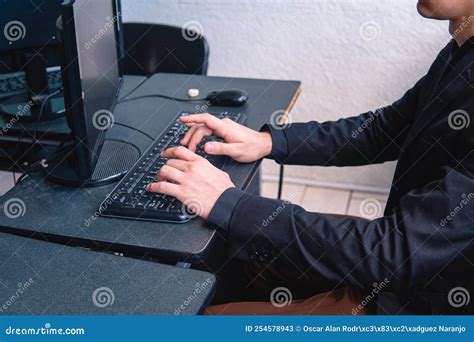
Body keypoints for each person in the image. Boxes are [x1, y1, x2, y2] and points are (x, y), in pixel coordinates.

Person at [147, 0, 474, 314]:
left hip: (416, 308)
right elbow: (383, 131)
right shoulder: (459, 51)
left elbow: (394, 252)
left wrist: (227, 201)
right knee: (237, 253)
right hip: (396, 267)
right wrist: (267, 142)